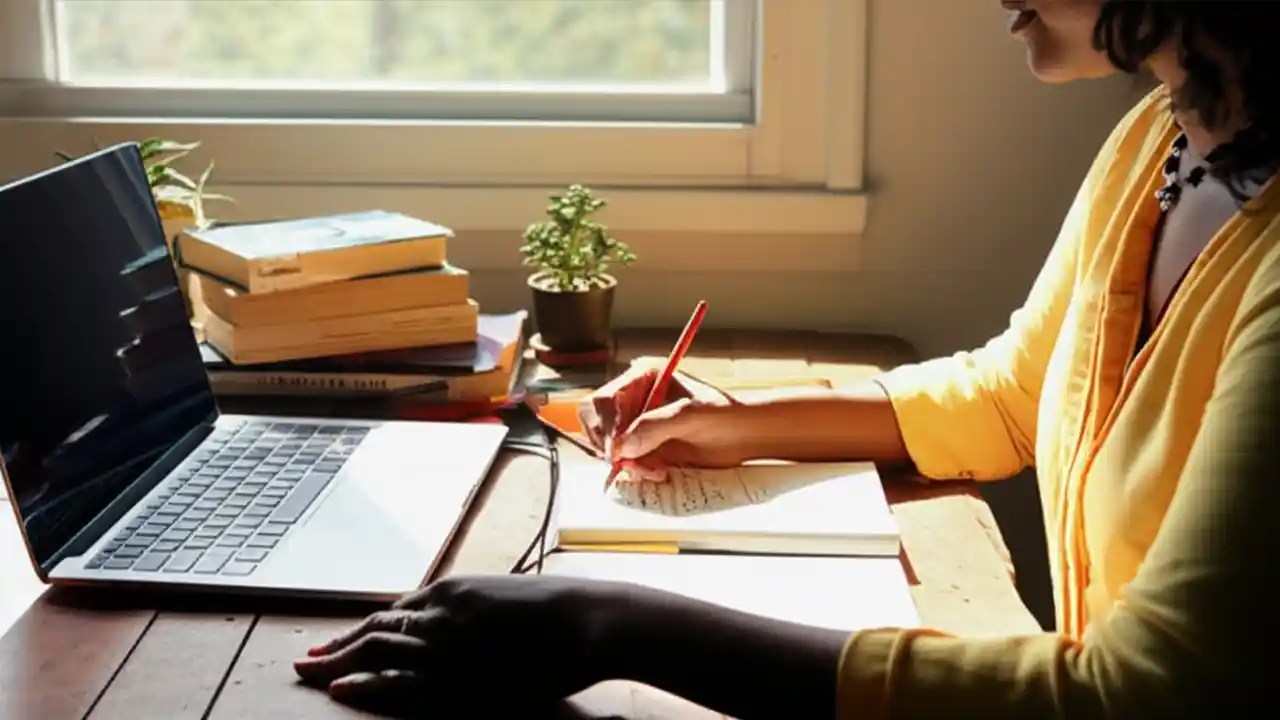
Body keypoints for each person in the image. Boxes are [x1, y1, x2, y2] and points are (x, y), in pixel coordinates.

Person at [293, 1, 1280, 717]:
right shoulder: (1159, 137)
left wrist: (612, 627)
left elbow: (1146, 695)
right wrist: (736, 424)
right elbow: (1014, 398)